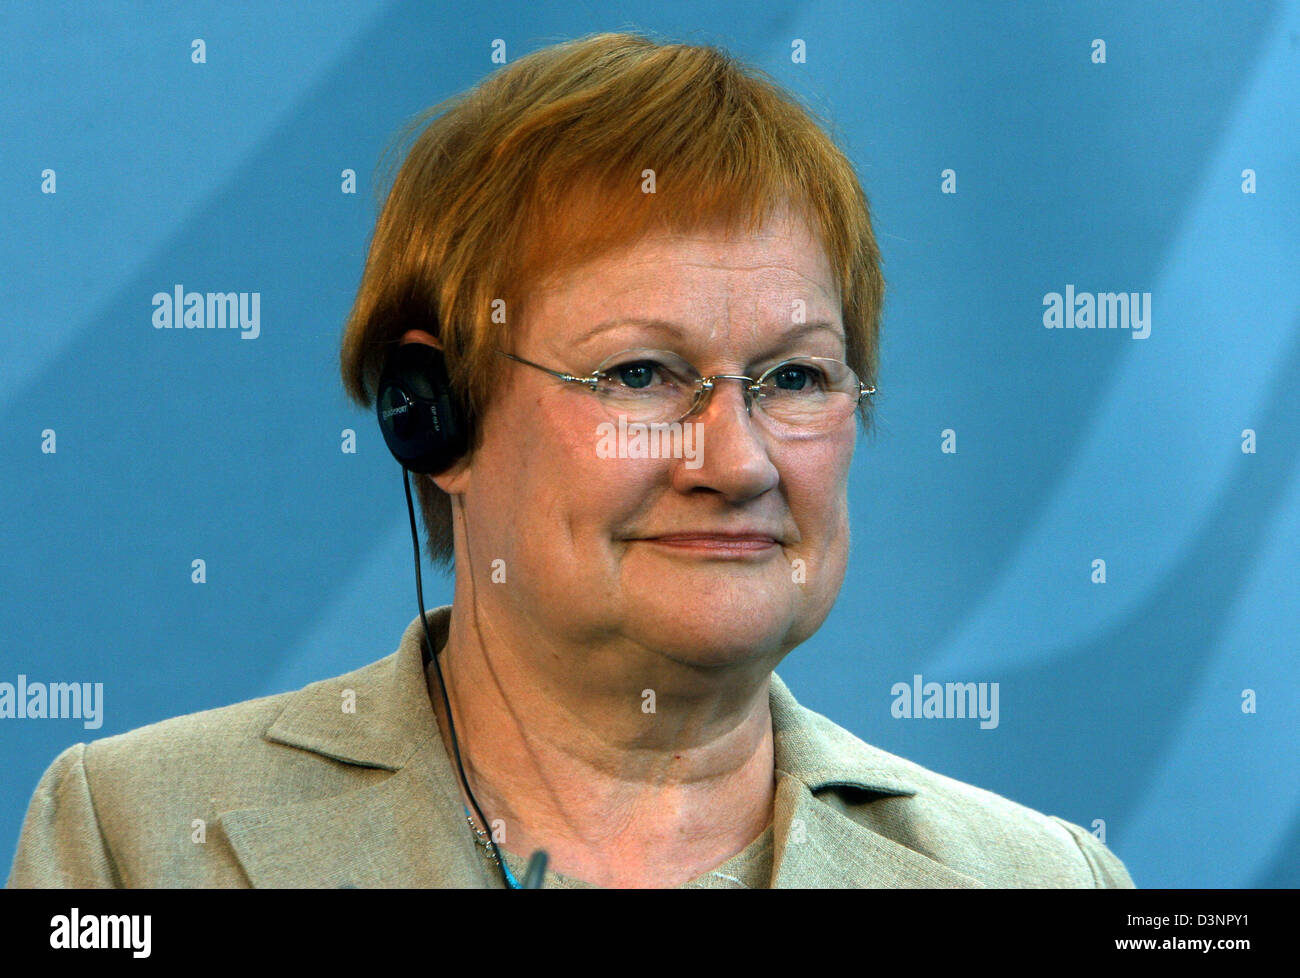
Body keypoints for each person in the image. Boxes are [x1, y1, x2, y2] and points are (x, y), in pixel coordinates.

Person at [8, 31, 1133, 889]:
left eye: (794, 379)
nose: (735, 461)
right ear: (434, 413)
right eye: (640, 374)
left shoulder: (1039, 877)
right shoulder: (140, 838)